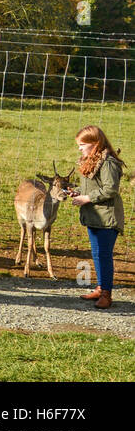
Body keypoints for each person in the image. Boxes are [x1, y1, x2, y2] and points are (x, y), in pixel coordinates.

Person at [72, 125, 125, 309]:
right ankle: (101, 287)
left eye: (82, 144)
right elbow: (92, 188)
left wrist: (87, 198)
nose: (79, 148)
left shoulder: (108, 162)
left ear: (95, 144)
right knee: (97, 254)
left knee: (104, 255)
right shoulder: (91, 160)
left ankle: (106, 295)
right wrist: (77, 193)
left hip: (106, 218)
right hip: (95, 217)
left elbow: (110, 189)